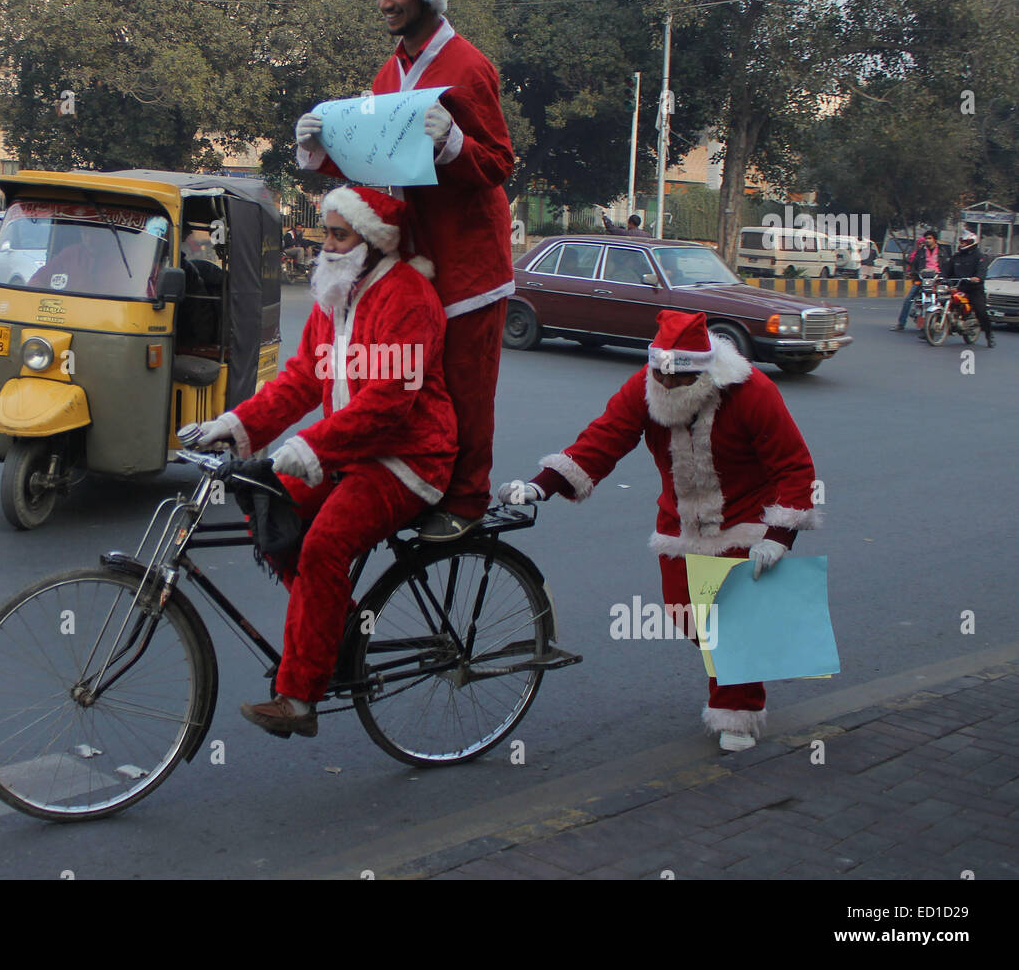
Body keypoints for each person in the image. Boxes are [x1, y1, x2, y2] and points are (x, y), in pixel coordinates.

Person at [189, 187, 457, 738]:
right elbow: (301, 381)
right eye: (326, 233)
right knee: (266, 501)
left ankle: (300, 698)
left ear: (374, 242)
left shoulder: (408, 296)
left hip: (409, 459)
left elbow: (388, 403)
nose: (326, 245)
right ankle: (338, 623)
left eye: (339, 234)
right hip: (350, 450)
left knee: (324, 545)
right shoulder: (336, 294)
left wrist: (314, 446)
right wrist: (236, 425)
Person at [495, 310, 821, 752]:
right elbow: (603, 439)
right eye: (660, 378)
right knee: (686, 614)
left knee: (731, 619)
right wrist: (542, 485)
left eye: (677, 381)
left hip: (744, 520)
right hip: (679, 523)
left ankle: (738, 711)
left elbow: (794, 465)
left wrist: (779, 537)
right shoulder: (645, 387)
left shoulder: (753, 393)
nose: (666, 388)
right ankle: (752, 645)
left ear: (703, 373)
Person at [294, 0, 514, 543]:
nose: (385, 1)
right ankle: (414, 483)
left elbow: (498, 163)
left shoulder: (470, 66)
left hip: (468, 261)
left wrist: (452, 146)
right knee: (409, 382)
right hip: (413, 258)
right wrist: (318, 151)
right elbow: (376, 162)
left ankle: (466, 500)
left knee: (467, 385)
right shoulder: (388, 70)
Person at [945, 230, 995, 348]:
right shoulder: (956, 257)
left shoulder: (980, 257)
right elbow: (947, 269)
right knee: (942, 297)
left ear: (971, 242)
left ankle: (989, 335)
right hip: (958, 286)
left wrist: (977, 278)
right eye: (961, 241)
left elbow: (982, 271)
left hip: (974, 288)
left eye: (964, 242)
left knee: (980, 311)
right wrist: (941, 277)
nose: (961, 244)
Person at [890, 230, 946, 332]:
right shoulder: (921, 252)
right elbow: (914, 264)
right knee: (908, 299)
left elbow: (946, 266)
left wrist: (943, 277)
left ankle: (943, 323)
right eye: (926, 239)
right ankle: (901, 323)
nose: (927, 241)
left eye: (930, 238)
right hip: (922, 279)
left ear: (935, 240)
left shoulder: (942, 252)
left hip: (937, 280)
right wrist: (912, 272)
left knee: (944, 300)